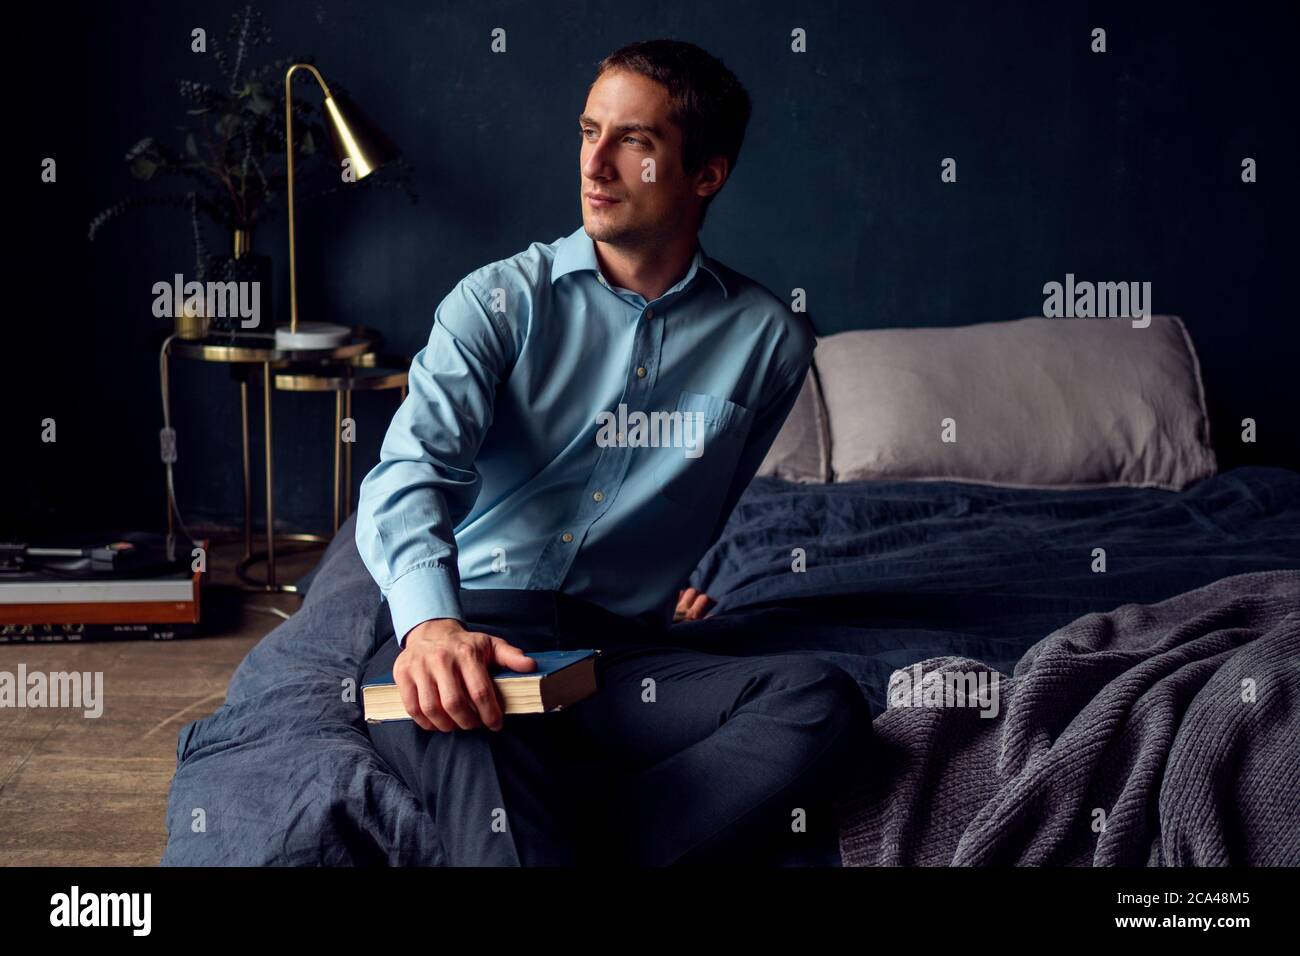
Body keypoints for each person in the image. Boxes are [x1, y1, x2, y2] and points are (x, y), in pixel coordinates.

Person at [355, 38, 871, 866]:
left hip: (616, 658)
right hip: (469, 622)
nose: (595, 164)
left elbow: (707, 497)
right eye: (589, 131)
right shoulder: (495, 302)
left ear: (707, 174)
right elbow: (413, 471)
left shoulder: (770, 341)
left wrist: (653, 585)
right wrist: (433, 630)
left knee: (817, 699)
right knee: (477, 730)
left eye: (635, 142)